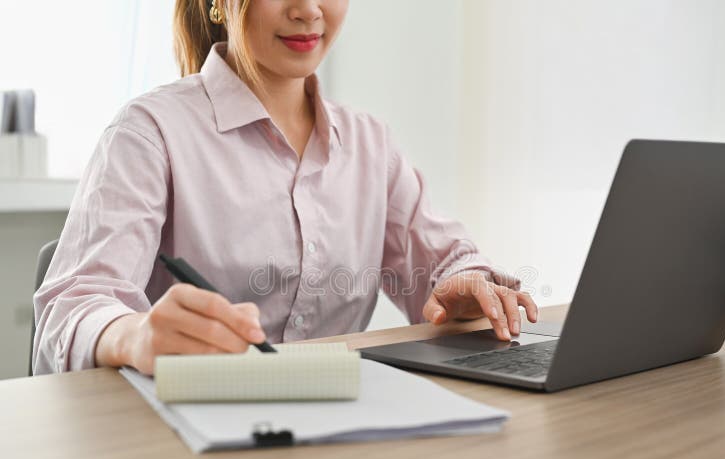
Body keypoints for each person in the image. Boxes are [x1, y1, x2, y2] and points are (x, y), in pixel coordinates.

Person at [32, 0, 538, 375]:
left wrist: (468, 286)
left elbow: (446, 266)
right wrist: (134, 335)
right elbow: (72, 305)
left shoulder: (370, 144)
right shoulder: (150, 132)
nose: (308, 10)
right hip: (185, 444)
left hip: (340, 433)